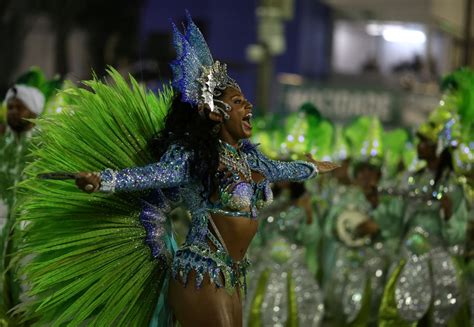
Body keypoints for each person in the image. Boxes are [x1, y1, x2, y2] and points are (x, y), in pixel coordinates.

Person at [13, 13, 337, 326]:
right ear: (214, 114)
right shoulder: (192, 156)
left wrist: (310, 168)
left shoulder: (247, 158)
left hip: (232, 272)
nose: (248, 106)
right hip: (201, 270)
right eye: (239, 102)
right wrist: (103, 180)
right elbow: (151, 175)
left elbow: (279, 170)